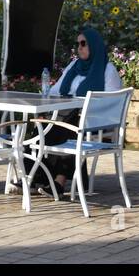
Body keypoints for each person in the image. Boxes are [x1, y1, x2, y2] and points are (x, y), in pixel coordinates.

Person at [34, 26, 124, 197]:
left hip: (97, 124)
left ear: (94, 45)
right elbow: (55, 91)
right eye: (78, 44)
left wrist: (86, 108)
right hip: (70, 117)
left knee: (66, 128)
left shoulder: (107, 70)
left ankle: (58, 182)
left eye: (84, 43)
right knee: (39, 126)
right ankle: (35, 178)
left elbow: (112, 104)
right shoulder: (74, 66)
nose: (80, 47)